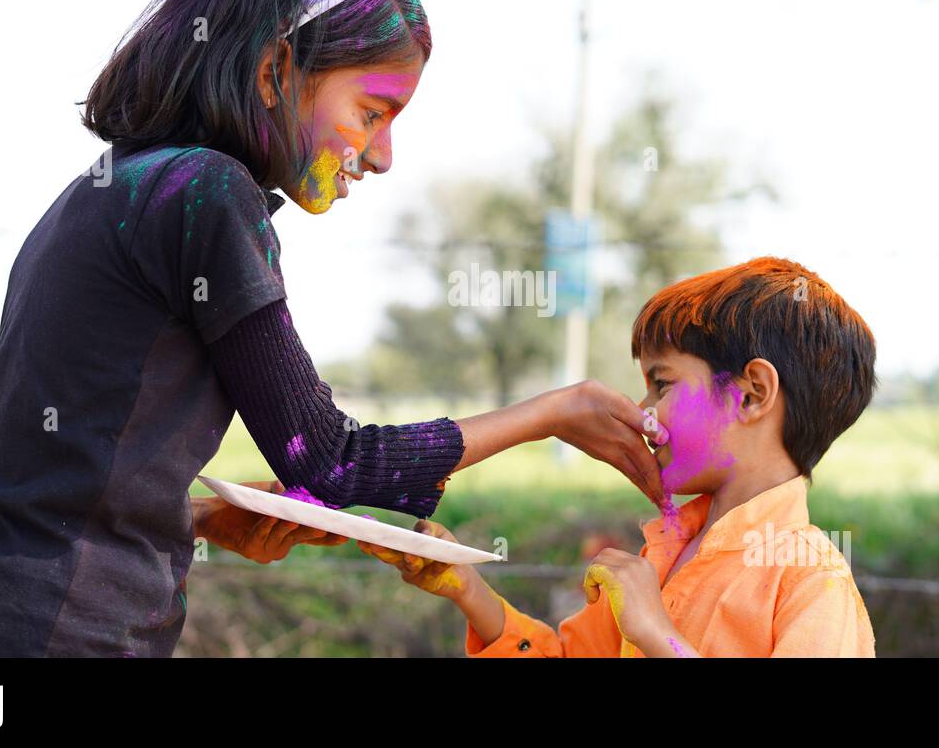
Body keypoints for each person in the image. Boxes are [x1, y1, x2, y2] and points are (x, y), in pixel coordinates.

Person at [0, 0, 663, 658]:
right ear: (275, 70)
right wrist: (550, 414)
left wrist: (196, 518)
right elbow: (328, 460)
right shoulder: (208, 193)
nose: (385, 154)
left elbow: (48, 474)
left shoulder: (103, 191)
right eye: (372, 113)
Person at [361, 257, 879, 657]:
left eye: (662, 384)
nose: (643, 412)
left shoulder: (812, 581)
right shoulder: (661, 556)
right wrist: (467, 589)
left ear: (752, 393)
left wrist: (658, 636)